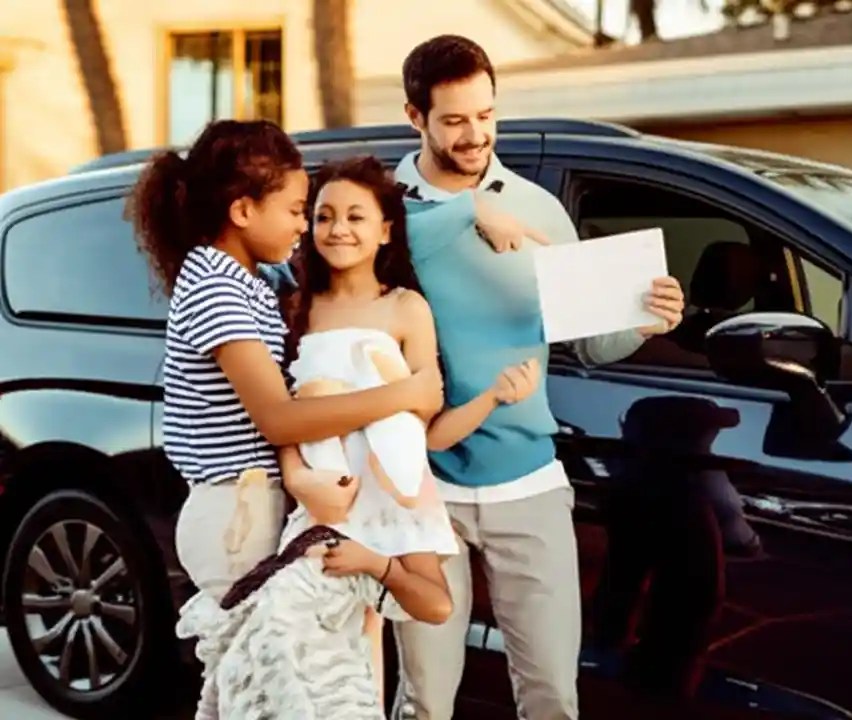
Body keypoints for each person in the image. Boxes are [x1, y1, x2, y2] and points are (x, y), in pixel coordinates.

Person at [171, 156, 540, 719]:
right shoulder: (296, 308)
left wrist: (490, 398)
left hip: (389, 497)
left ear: (386, 230)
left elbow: (426, 425)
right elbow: (289, 414)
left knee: (363, 663)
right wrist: (299, 477)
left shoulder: (406, 309)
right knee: (290, 657)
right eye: (322, 216)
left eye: (356, 217)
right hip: (318, 509)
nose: (337, 229)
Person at [389, 35, 687, 720]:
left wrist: (643, 322)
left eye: (486, 114)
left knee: (552, 694)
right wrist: (468, 210)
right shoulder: (379, 210)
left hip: (527, 483)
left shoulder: (537, 208)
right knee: (425, 701)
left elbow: (593, 343)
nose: (476, 135)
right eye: (454, 120)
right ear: (415, 117)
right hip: (423, 489)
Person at [128, 119, 441, 711]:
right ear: (243, 210)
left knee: (274, 691)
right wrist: (407, 393)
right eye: (298, 210)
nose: (304, 226)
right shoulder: (215, 286)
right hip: (237, 513)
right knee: (282, 695)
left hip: (265, 507)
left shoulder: (248, 279)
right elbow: (278, 417)